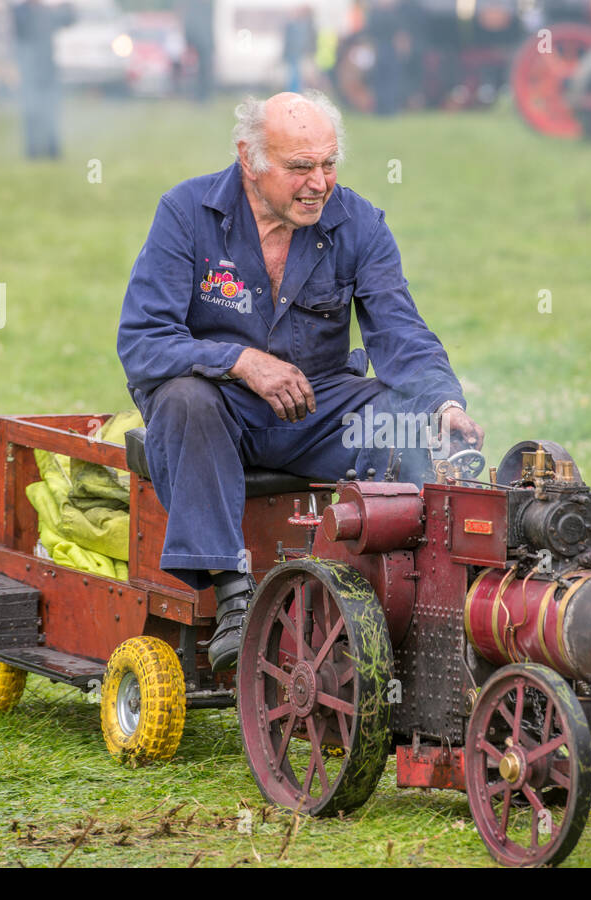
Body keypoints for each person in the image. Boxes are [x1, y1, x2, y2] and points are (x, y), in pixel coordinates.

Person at [117, 91, 484, 670]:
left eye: (329, 164)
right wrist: (240, 361)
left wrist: (442, 402)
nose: (320, 183)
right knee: (185, 398)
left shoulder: (358, 223)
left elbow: (399, 330)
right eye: (300, 167)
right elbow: (142, 341)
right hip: (218, 406)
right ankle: (234, 599)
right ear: (249, 158)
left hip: (315, 408)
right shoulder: (186, 213)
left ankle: (407, 597)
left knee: (410, 425)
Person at [11, 0, 73, 159]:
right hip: (29, 70)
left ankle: (53, 150)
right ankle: (32, 151)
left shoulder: (47, 12)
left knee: (51, 112)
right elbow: (22, 27)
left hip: (48, 68)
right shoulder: (21, 11)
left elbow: (69, 19)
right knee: (30, 112)